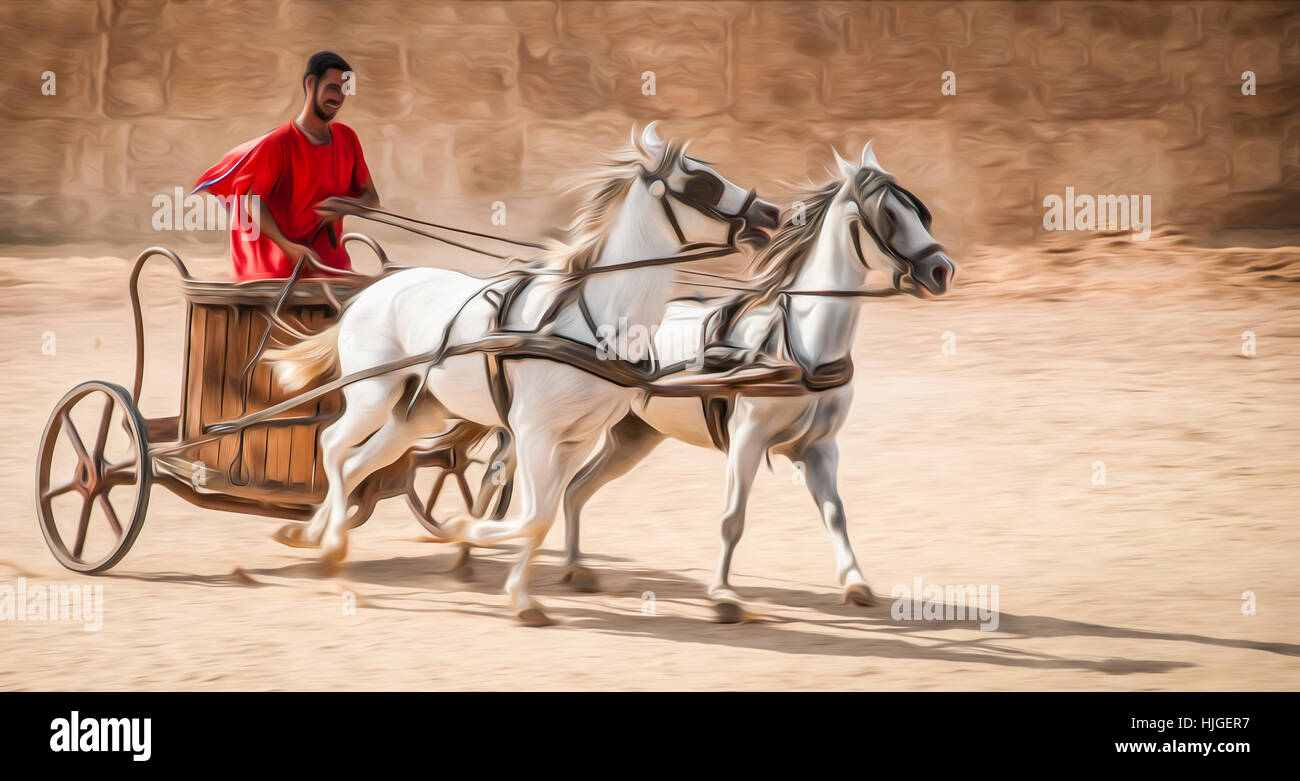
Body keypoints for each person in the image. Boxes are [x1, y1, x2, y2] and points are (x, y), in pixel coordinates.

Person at [193, 51, 380, 280]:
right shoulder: (279, 143)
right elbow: (251, 201)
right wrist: (289, 247)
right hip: (282, 273)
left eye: (344, 90)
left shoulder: (347, 138)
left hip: (332, 267)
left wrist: (346, 206)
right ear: (311, 84)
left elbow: (371, 198)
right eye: (332, 88)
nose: (339, 98)